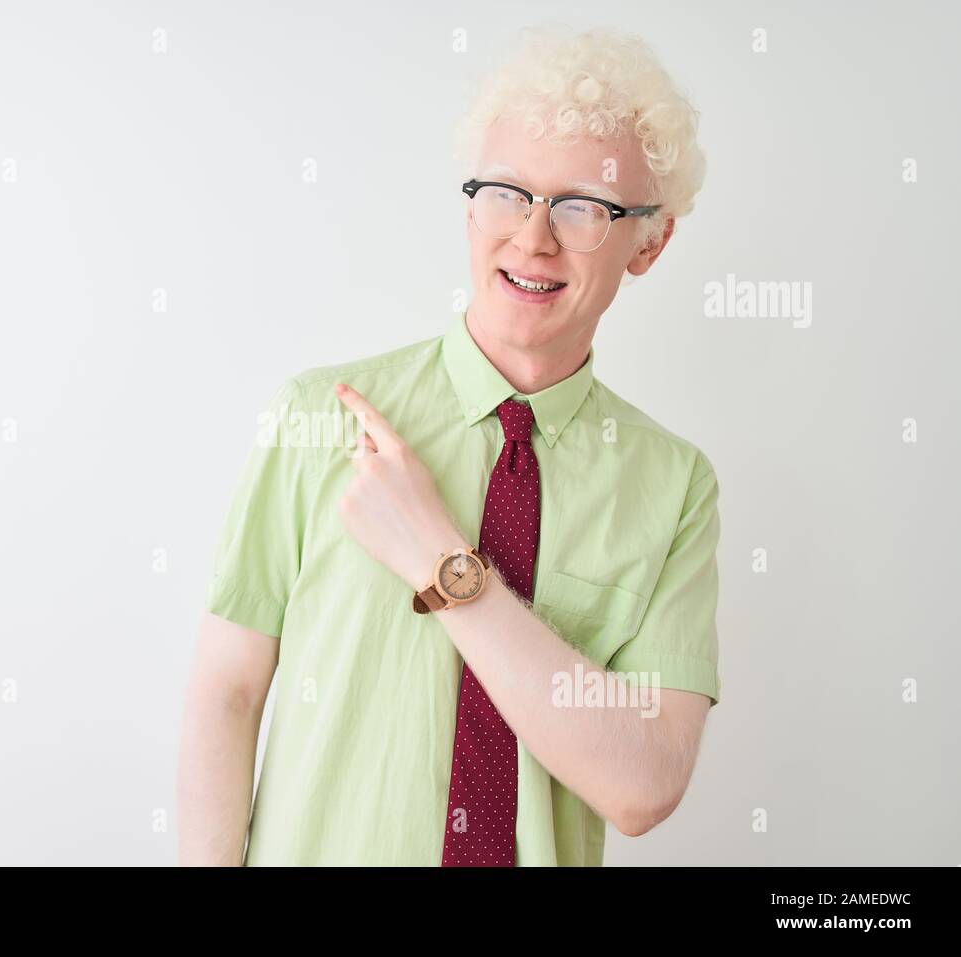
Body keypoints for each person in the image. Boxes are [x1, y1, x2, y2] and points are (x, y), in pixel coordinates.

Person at [177, 25, 720, 866]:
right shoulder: (319, 415)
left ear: (649, 240)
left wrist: (442, 562)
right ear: (472, 205)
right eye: (508, 192)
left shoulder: (675, 484)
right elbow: (228, 692)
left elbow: (644, 785)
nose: (533, 238)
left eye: (582, 206)